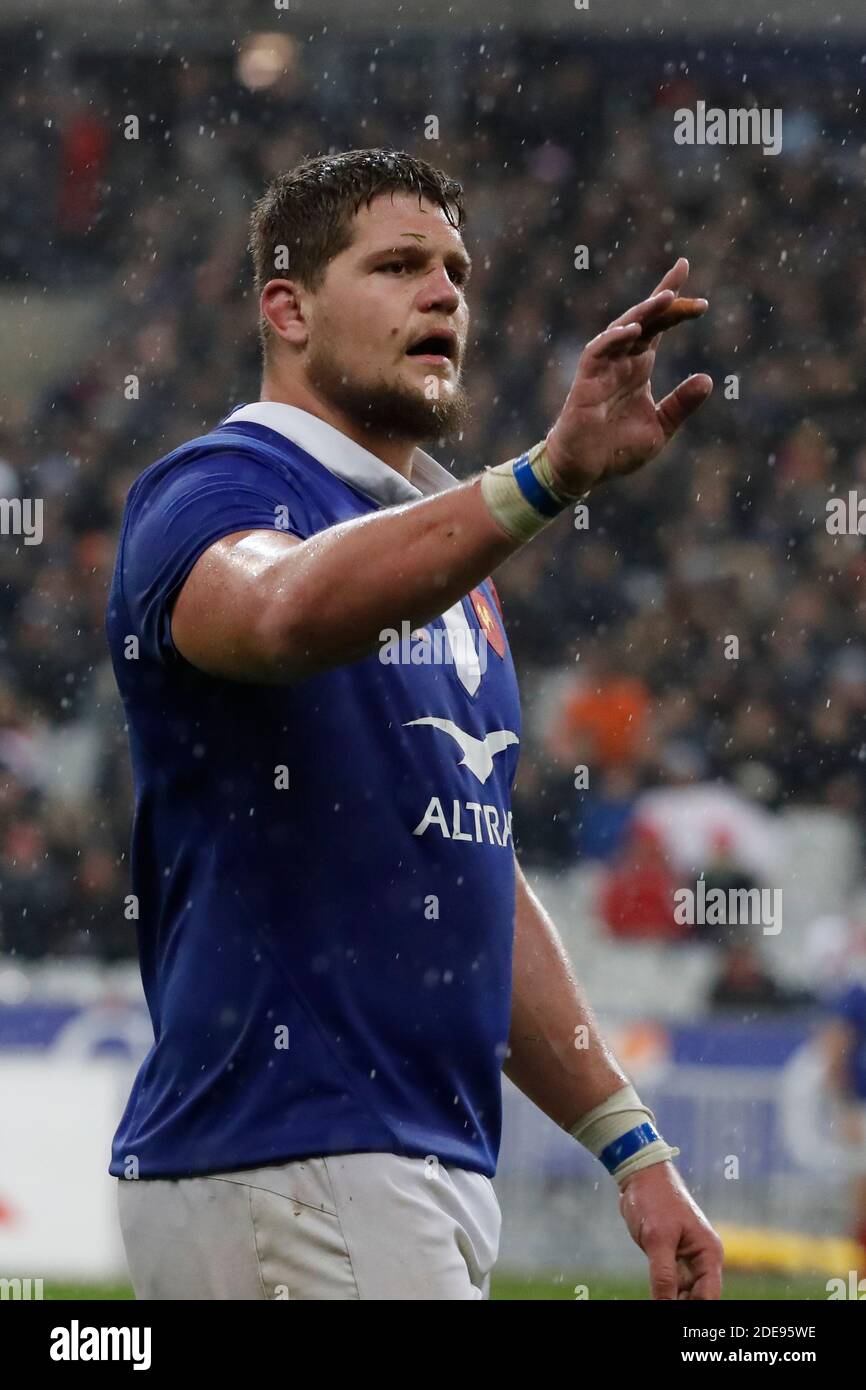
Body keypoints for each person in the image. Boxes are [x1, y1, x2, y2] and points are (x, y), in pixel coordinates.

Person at [106, 148, 722, 1300]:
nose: (444, 293)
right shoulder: (217, 489)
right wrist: (540, 480)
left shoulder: (449, 558)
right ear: (285, 308)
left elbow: (472, 859)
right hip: (293, 1145)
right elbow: (282, 609)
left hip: (396, 1155)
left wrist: (630, 1145)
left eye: (455, 271)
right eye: (397, 266)